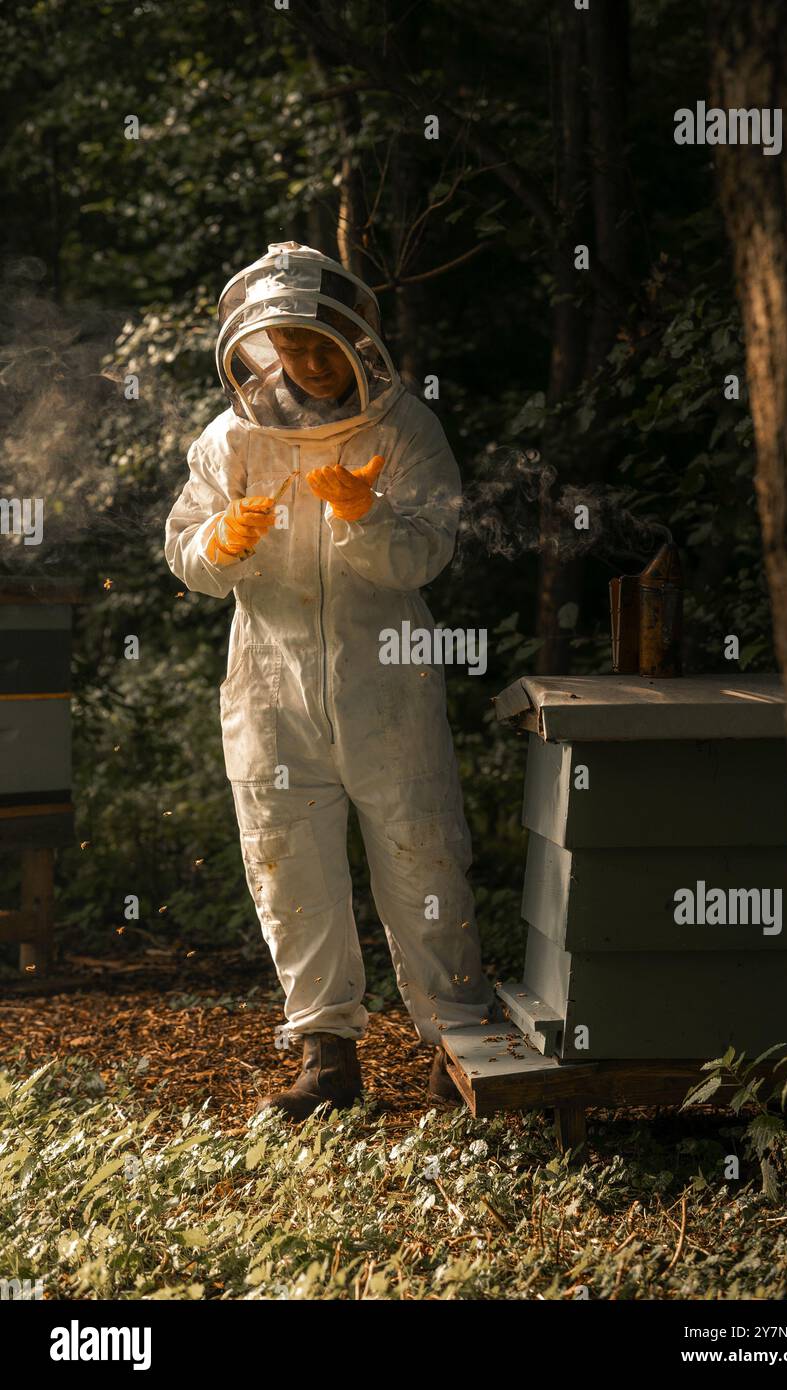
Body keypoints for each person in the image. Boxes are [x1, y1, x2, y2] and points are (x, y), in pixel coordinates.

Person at [165, 241, 497, 1120]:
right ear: (259, 343)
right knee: (287, 860)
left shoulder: (405, 428)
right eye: (287, 342)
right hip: (268, 688)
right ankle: (326, 1057)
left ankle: (456, 1046)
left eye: (319, 342)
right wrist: (220, 543)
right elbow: (185, 553)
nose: (305, 360)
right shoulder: (231, 437)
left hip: (385, 680)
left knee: (420, 851)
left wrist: (364, 513)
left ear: (354, 341)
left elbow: (427, 553)